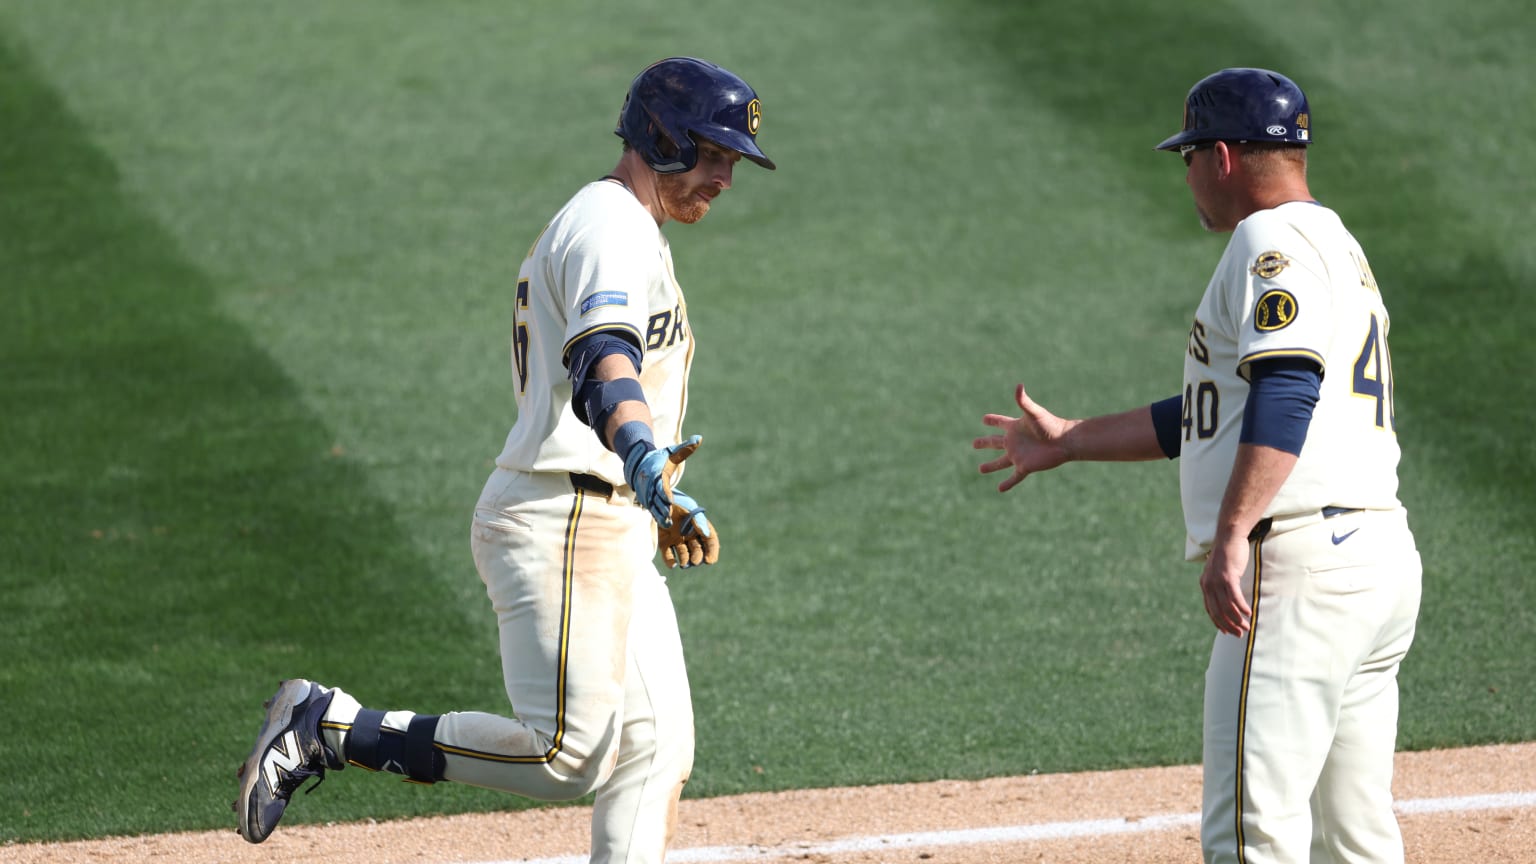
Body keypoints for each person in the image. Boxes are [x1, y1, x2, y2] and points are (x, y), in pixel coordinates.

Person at [235, 57, 776, 864]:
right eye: (713, 154)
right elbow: (604, 358)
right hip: (561, 519)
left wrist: (648, 487)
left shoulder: (633, 230)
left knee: (657, 746)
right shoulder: (608, 226)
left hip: (606, 517)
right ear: (662, 137)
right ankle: (330, 727)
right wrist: (640, 458)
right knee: (567, 758)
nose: (725, 176)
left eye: (734, 161)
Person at [973, 68, 1421, 863]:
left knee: (1250, 836)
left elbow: (1285, 390)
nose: (1185, 177)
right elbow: (1225, 413)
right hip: (1378, 561)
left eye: (1186, 158)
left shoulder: (1266, 239)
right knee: (1353, 837)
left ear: (1221, 157)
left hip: (1301, 572)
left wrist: (1233, 536)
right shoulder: (1337, 244)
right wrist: (1072, 438)